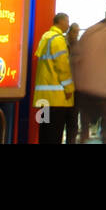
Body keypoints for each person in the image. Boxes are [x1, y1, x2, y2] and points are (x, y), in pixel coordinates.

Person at [75, 4, 106, 143]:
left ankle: (84, 137)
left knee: (83, 128)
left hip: (83, 92)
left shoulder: (88, 35)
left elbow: (77, 62)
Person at [34, 13, 75, 144]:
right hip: (56, 100)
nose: (68, 25)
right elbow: (62, 67)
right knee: (53, 135)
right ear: (60, 22)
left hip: (43, 98)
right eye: (67, 22)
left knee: (43, 132)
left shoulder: (45, 37)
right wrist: (69, 88)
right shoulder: (58, 40)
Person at [64, 23, 80, 144]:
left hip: (75, 89)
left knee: (73, 122)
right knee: (54, 122)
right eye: (74, 31)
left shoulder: (79, 47)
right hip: (62, 89)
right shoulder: (62, 44)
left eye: (77, 32)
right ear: (69, 32)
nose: (76, 34)